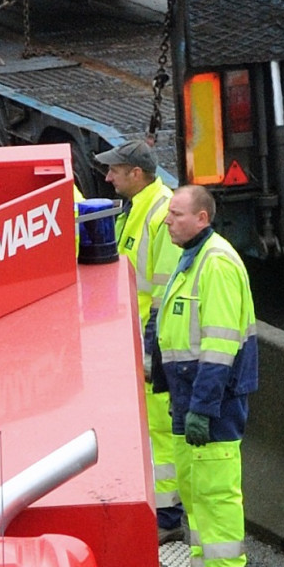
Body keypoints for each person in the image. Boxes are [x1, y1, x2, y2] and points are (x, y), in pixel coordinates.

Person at [147, 184, 257, 567]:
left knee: (214, 495)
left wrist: (203, 406)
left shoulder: (216, 263)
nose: (167, 220)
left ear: (202, 219)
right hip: (186, 395)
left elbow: (220, 347)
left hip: (211, 401)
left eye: (175, 214)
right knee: (193, 492)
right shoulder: (192, 257)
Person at [101, 138, 182, 535]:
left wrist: (152, 350)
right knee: (153, 429)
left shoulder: (159, 212)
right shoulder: (137, 209)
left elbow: (164, 291)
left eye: (115, 170)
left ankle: (168, 516)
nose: (107, 176)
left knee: (160, 430)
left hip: (155, 342)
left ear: (136, 174)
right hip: (136, 339)